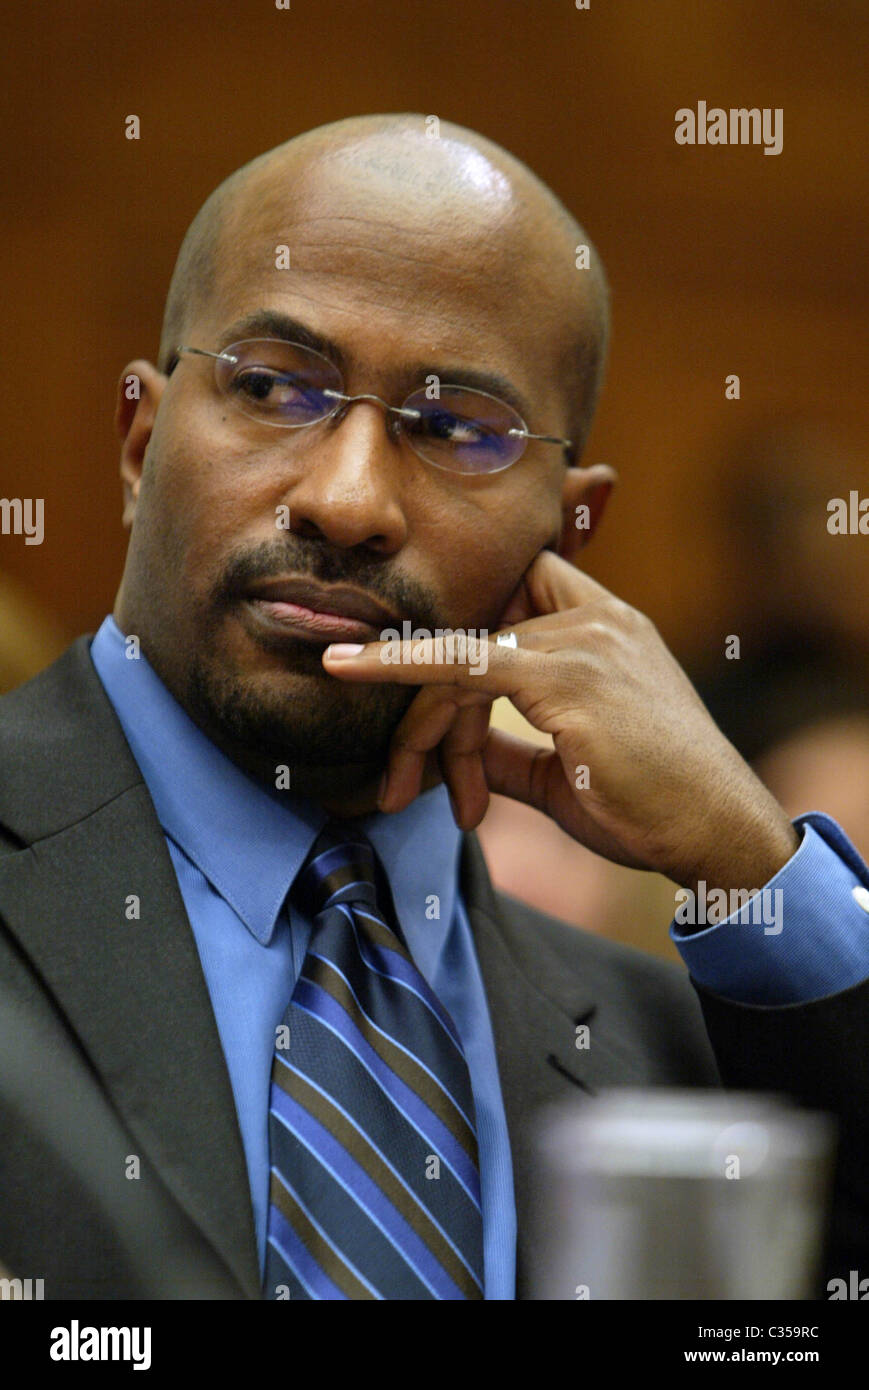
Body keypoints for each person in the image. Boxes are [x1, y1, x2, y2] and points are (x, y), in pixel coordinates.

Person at [0, 114, 867, 1302]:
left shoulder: (699, 1049)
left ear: (569, 529)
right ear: (141, 443)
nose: (348, 498)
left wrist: (751, 862)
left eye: (454, 427)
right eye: (270, 386)